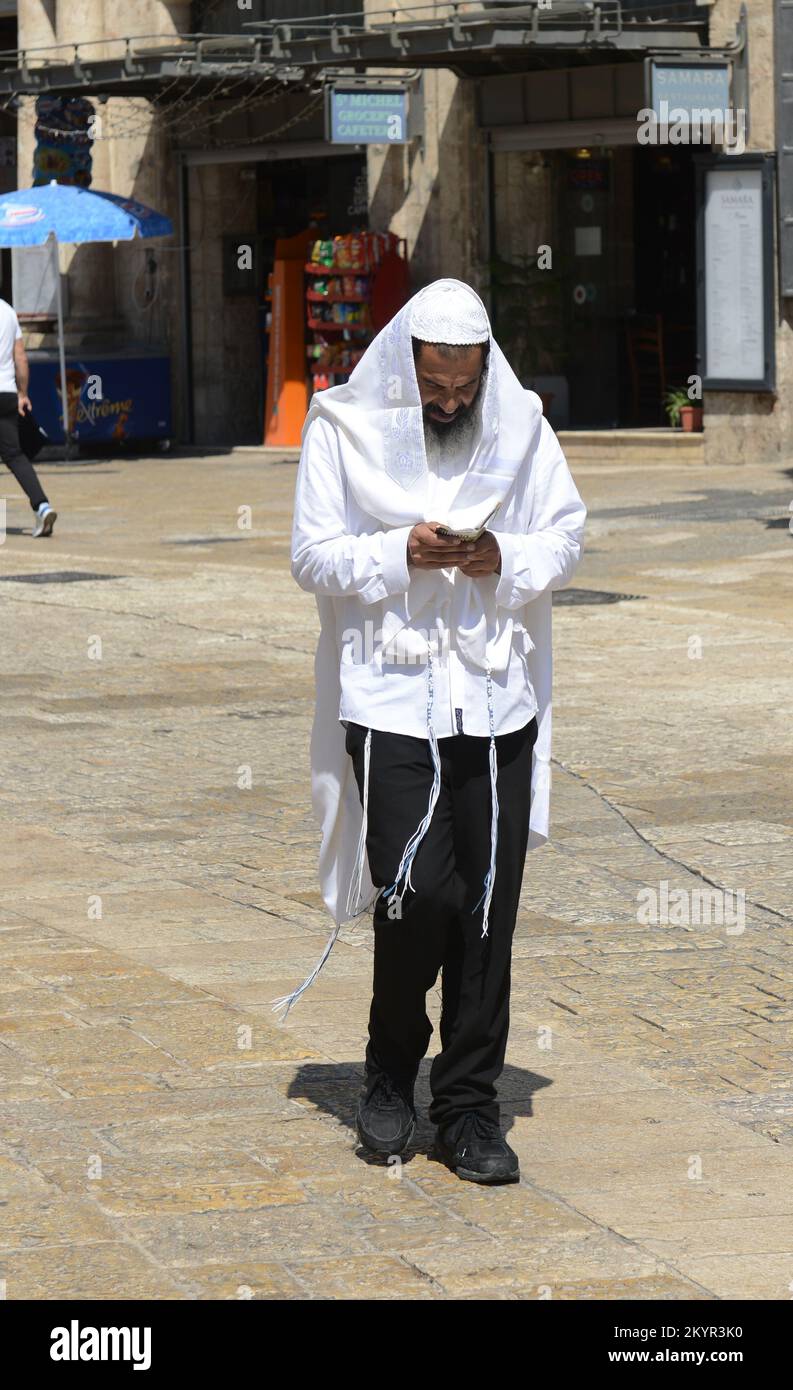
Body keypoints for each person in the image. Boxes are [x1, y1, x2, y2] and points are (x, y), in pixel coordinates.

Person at [280, 278, 586, 1185]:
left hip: (495, 702)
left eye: (464, 386)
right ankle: (388, 1064)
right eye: (435, 386)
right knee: (417, 893)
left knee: (486, 907)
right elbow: (309, 554)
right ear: (404, 367)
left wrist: (502, 557)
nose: (450, 402)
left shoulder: (521, 423)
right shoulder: (342, 426)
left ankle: (467, 1109)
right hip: (388, 700)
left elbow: (564, 533)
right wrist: (397, 552)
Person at [0, 295, 57, 537]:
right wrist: (23, 393)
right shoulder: (8, 311)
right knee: (14, 455)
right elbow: (20, 357)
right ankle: (42, 506)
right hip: (6, 392)